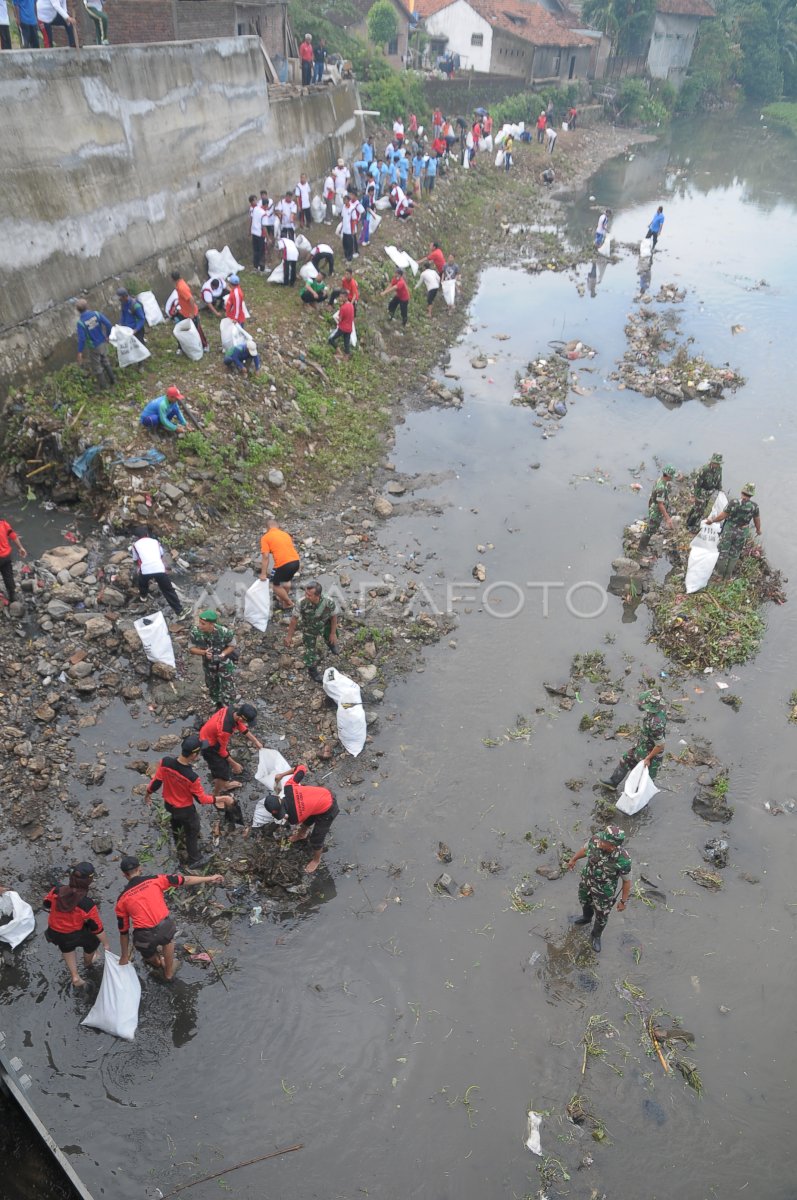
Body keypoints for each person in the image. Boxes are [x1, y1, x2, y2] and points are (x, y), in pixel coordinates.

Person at [116, 857, 224, 981]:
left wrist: (124, 956)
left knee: (146, 953)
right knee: (168, 940)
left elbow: (123, 931)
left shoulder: (121, 899)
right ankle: (168, 973)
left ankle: (157, 962)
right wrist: (210, 878)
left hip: (144, 937)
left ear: (124, 874)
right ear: (140, 868)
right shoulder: (156, 880)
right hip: (165, 929)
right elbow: (186, 879)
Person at [146, 735, 217, 868]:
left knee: (175, 821)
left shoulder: (166, 762)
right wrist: (220, 799)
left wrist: (148, 794)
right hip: (185, 810)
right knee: (192, 830)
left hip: (169, 805)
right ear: (194, 755)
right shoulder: (192, 777)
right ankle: (194, 859)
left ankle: (177, 838)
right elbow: (201, 799)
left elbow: (156, 782)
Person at [566, 826, 631, 953]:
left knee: (602, 916)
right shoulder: (595, 840)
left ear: (613, 846)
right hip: (587, 883)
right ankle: (586, 918)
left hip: (604, 892)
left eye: (604, 842)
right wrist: (573, 859)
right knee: (584, 901)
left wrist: (623, 901)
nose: (600, 842)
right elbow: (585, 850)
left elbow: (627, 881)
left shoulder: (623, 859)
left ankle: (596, 935)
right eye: (601, 839)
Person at [263, 766, 339, 874]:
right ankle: (301, 834)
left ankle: (316, 860)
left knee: (316, 839)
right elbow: (302, 767)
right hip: (322, 793)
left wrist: (286, 816)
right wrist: (282, 775)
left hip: (329, 807)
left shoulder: (294, 818)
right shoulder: (289, 786)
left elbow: (293, 816)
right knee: (308, 819)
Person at [44, 863, 110, 987]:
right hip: (75, 934)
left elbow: (46, 903)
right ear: (88, 881)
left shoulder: (56, 891)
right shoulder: (86, 904)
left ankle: (75, 976)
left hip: (55, 933)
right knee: (93, 941)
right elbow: (97, 929)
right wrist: (106, 945)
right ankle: (88, 963)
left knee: (66, 947)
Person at [601, 689, 667, 790]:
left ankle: (640, 800)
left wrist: (648, 758)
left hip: (652, 752)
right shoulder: (660, 705)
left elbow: (660, 745)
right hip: (643, 744)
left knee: (646, 778)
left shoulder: (656, 724)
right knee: (626, 759)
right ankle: (613, 782)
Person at [199, 702, 263, 801]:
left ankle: (225, 784)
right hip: (209, 746)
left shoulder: (232, 710)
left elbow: (240, 725)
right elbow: (221, 751)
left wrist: (255, 741)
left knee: (224, 767)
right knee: (221, 772)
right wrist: (234, 764)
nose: (246, 724)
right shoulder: (225, 730)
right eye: (247, 721)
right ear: (241, 717)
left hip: (208, 734)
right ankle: (216, 795)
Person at [285, 580, 339, 682]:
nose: (306, 596)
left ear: (317, 595)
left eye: (309, 595)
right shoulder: (301, 603)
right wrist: (289, 636)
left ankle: (331, 645)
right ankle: (312, 671)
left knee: (332, 635)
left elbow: (334, 617)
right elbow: (294, 620)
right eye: (306, 593)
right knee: (310, 651)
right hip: (309, 628)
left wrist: (332, 633)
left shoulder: (328, 601)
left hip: (324, 624)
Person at [706, 483, 761, 578]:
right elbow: (757, 520)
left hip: (730, 530)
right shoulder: (754, 506)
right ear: (752, 494)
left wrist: (712, 520)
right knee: (735, 554)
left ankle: (720, 573)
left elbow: (723, 516)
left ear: (742, 492)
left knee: (723, 551)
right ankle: (728, 575)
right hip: (742, 532)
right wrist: (758, 530)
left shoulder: (734, 502)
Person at [130, 525, 184, 617]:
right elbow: (161, 554)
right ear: (147, 534)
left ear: (137, 537)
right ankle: (179, 612)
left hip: (146, 570)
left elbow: (135, 559)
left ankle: (143, 596)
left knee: (142, 582)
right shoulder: (155, 542)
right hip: (159, 569)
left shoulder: (135, 545)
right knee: (168, 590)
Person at [190, 609, 238, 708]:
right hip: (209, 664)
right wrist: (204, 652)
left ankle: (229, 707)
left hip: (224, 664)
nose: (200, 625)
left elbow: (232, 645)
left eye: (203, 624)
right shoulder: (196, 632)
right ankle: (217, 703)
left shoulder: (224, 632)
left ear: (211, 624)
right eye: (200, 622)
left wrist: (223, 654)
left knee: (228, 686)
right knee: (212, 685)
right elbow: (191, 648)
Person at [260, 518, 300, 611]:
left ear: (267, 528)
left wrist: (263, 574)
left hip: (283, 564)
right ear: (278, 526)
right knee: (285, 580)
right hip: (296, 562)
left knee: (274, 585)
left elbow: (265, 556)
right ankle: (283, 600)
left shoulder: (265, 537)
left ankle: (288, 602)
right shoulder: (285, 534)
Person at [75, 299, 115, 389]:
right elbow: (108, 324)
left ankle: (104, 387)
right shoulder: (96, 314)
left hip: (93, 346)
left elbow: (82, 339)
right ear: (87, 306)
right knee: (105, 360)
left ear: (78, 311)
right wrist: (108, 335)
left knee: (97, 367)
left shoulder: (81, 323)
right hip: (103, 342)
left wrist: (80, 352)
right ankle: (113, 380)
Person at [638, 464, 676, 550]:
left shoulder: (659, 480)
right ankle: (641, 549)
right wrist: (668, 518)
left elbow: (652, 495)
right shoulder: (661, 487)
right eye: (672, 476)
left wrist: (649, 505)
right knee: (649, 530)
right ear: (668, 476)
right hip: (656, 511)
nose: (672, 478)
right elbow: (660, 504)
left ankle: (644, 544)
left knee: (652, 528)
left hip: (653, 507)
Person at [170, 270, 208, 350]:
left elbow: (191, 299)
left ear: (172, 279)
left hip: (189, 313)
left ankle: (205, 345)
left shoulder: (181, 287)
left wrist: (192, 313)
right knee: (180, 329)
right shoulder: (180, 283)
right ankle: (181, 347)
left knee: (197, 329)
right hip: (183, 312)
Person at [686, 453, 723, 532]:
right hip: (701, 492)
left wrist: (719, 488)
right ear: (711, 462)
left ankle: (691, 522)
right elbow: (697, 483)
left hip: (709, 492)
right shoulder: (705, 469)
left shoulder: (719, 469)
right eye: (714, 463)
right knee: (698, 509)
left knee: (702, 508)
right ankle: (690, 525)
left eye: (717, 463)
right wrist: (695, 496)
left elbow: (719, 479)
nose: (716, 465)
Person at [0, 516, 27, 607]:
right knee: (8, 576)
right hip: (6, 557)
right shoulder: (3, 523)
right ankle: (12, 596)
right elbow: (13, 535)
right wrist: (21, 548)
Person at [328, 293, 355, 360]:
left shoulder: (343, 308)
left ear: (345, 297)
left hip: (342, 328)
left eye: (341, 297)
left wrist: (336, 318)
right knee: (346, 343)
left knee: (331, 339)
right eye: (340, 297)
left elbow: (340, 319)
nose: (340, 298)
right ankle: (346, 357)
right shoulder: (351, 305)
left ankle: (339, 352)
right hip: (349, 328)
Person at [248, 194, 266, 271]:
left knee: (256, 250)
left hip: (254, 232)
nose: (256, 201)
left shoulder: (254, 209)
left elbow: (252, 220)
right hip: (259, 233)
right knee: (261, 251)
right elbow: (264, 226)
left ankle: (256, 266)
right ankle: (261, 267)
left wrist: (250, 230)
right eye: (254, 200)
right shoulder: (262, 213)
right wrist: (267, 237)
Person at [340, 194, 356, 263]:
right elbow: (343, 217)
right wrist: (341, 227)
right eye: (344, 200)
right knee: (345, 243)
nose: (344, 201)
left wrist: (352, 230)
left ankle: (349, 258)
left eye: (345, 200)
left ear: (349, 200)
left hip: (349, 230)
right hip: (345, 229)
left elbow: (354, 220)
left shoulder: (352, 209)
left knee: (350, 244)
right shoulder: (344, 207)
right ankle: (346, 256)